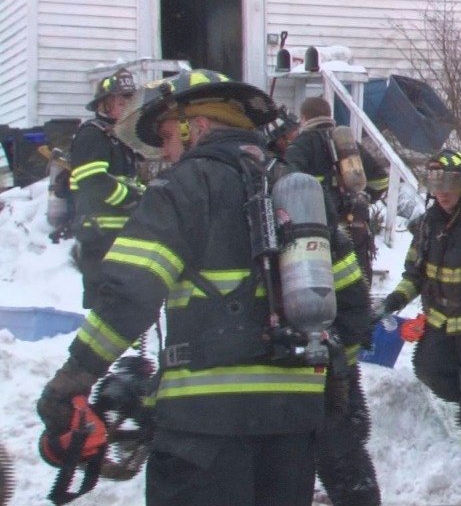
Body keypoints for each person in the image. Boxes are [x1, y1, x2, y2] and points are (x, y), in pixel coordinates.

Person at [36, 69, 372, 506]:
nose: (167, 153)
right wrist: (334, 375)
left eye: (167, 139)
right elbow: (351, 301)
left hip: (203, 427)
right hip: (292, 424)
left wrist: (73, 378)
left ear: (194, 126)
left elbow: (127, 297)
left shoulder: (181, 187)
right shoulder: (296, 187)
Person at [262, 110, 382, 506]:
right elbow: (377, 178)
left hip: (305, 333)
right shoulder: (341, 146)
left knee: (331, 444)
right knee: (342, 442)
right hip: (337, 262)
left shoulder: (282, 175)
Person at [378, 149, 461, 467]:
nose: (442, 192)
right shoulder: (427, 226)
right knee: (428, 369)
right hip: (439, 320)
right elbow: (414, 274)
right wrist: (394, 300)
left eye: (450, 183)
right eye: (436, 183)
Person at [286, 96, 390, 283]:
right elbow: (381, 180)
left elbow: (289, 186)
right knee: (358, 286)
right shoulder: (349, 145)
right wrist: (363, 197)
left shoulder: (299, 146)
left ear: (303, 118)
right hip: (356, 226)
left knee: (323, 287)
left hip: (320, 231)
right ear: (329, 115)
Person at [69, 68, 144, 309]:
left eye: (130, 100)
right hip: (99, 238)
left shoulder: (121, 138)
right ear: (105, 104)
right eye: (122, 101)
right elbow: (92, 181)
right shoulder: (94, 135)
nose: (128, 106)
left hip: (121, 238)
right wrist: (131, 198)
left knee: (123, 306)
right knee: (106, 306)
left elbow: (129, 180)